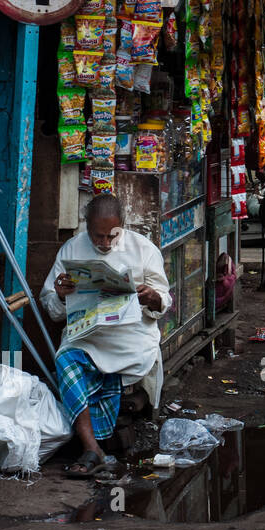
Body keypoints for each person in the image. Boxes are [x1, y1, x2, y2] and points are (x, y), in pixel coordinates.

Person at [41, 194, 171, 477]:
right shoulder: (72, 249)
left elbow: (165, 301)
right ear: (86, 227)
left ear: (122, 226)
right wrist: (61, 296)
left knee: (108, 367)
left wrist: (152, 298)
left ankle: (93, 444)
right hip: (87, 336)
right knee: (65, 359)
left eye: (112, 235)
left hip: (130, 338)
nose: (105, 242)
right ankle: (92, 448)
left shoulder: (144, 250)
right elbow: (49, 303)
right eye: (97, 236)